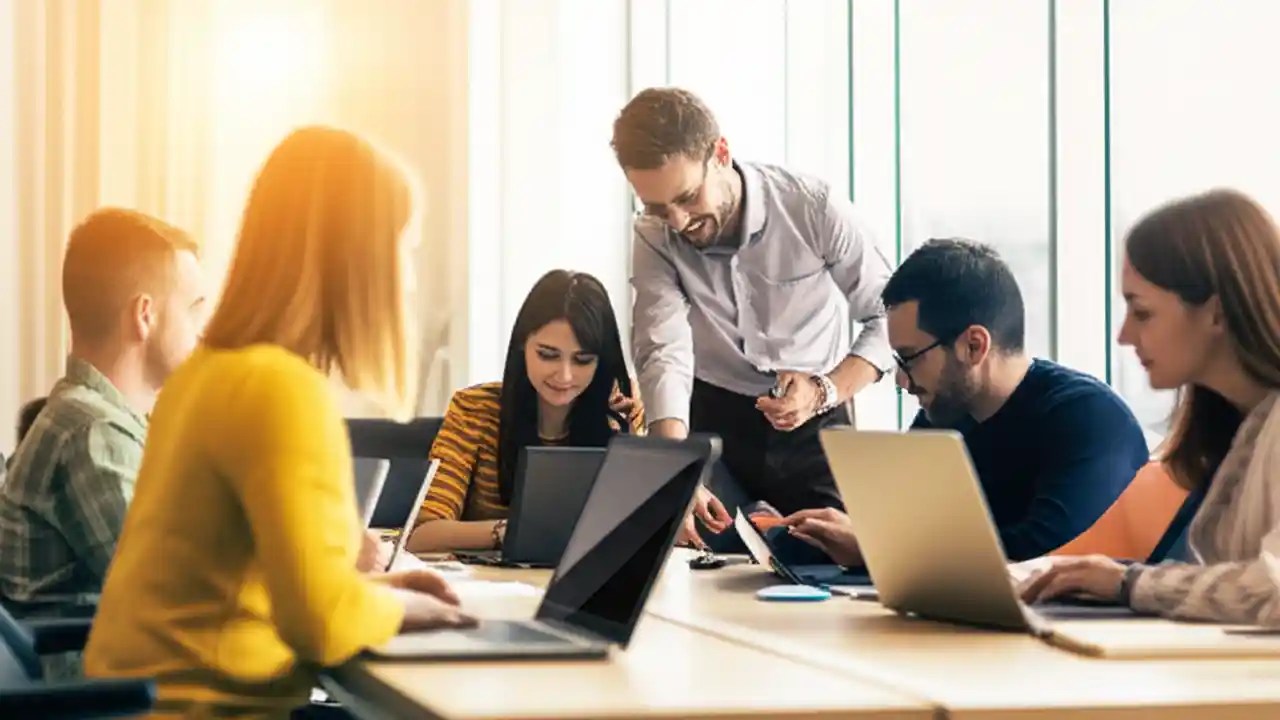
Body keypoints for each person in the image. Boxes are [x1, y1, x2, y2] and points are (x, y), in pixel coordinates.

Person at [84, 127, 475, 716]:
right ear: (358, 257)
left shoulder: (207, 374)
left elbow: (237, 588)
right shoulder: (280, 390)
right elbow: (317, 626)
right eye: (405, 250)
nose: (410, 278)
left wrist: (369, 596)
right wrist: (398, 611)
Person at [614, 87, 893, 549]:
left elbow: (887, 316)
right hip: (712, 414)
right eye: (658, 207)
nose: (679, 221)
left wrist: (825, 389)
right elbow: (663, 349)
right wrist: (673, 470)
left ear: (720, 153)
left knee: (829, 561)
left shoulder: (813, 208)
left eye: (687, 197)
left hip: (816, 415)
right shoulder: (654, 234)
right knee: (694, 555)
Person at [783, 239, 1148, 563]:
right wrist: (777, 531)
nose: (900, 379)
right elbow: (889, 529)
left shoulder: (1088, 420)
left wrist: (878, 550)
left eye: (909, 358)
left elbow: (1043, 555)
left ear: (974, 346)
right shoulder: (943, 416)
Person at [1022, 189, 1280, 625]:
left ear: (1215, 314)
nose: (1123, 335)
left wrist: (1129, 584)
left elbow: (1272, 589)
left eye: (1142, 313)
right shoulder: (1244, 428)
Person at [0, 208, 206, 620]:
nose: (201, 331)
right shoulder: (91, 433)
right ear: (144, 315)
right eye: (193, 310)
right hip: (104, 682)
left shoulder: (94, 421)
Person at [408, 270, 642, 553]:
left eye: (582, 360)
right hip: (491, 588)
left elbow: (632, 533)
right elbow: (421, 534)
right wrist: (511, 532)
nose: (564, 375)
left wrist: (633, 440)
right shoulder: (474, 409)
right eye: (548, 354)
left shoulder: (622, 414)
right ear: (523, 346)